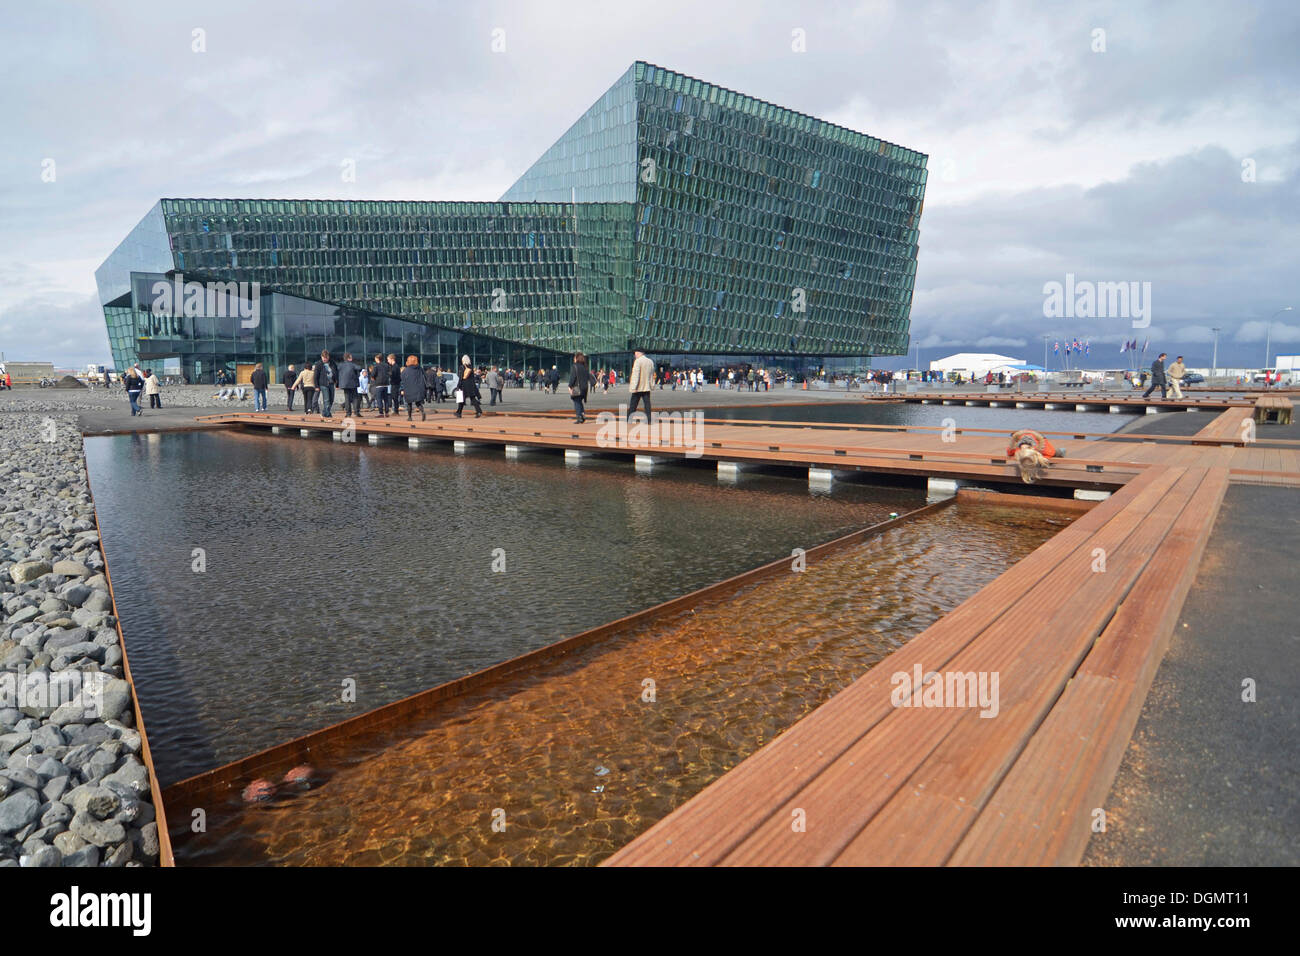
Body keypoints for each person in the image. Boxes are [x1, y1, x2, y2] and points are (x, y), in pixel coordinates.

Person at [627, 348, 655, 422]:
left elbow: (636, 375)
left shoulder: (638, 361)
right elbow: (652, 375)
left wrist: (633, 387)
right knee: (647, 404)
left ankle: (629, 419)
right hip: (646, 386)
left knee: (633, 404)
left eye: (635, 353)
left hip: (638, 387)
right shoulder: (650, 361)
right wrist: (652, 385)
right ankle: (649, 420)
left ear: (639, 353)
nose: (635, 355)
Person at [400, 355, 428, 421]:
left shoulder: (405, 370)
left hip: (408, 389)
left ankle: (410, 417)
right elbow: (425, 376)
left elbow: (402, 379)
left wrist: (402, 389)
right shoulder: (420, 369)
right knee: (418, 403)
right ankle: (422, 412)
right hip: (418, 388)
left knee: (409, 403)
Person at [569, 352, 592, 423]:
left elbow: (573, 377)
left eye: (574, 358)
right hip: (585, 387)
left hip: (577, 387)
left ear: (576, 358)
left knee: (576, 401)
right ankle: (582, 415)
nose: (573, 359)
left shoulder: (575, 366)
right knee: (579, 401)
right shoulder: (585, 366)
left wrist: (570, 386)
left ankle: (579, 417)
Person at [336, 352, 362, 419]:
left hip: (344, 384)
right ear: (349, 358)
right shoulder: (352, 364)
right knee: (355, 398)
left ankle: (348, 413)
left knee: (347, 398)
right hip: (353, 383)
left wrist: (337, 384)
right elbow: (359, 368)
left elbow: (337, 372)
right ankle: (356, 412)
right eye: (351, 357)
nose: (352, 358)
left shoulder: (340, 365)